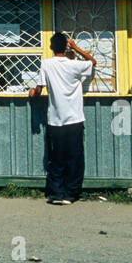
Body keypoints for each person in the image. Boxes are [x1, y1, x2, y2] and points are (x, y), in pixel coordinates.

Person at [29, 31, 96, 205]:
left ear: (51, 47)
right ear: (66, 47)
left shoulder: (46, 64)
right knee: (74, 157)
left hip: (55, 119)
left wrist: (32, 93)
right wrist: (76, 47)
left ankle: (56, 193)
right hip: (74, 118)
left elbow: (39, 88)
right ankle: (71, 194)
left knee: (56, 158)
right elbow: (93, 62)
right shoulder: (74, 65)